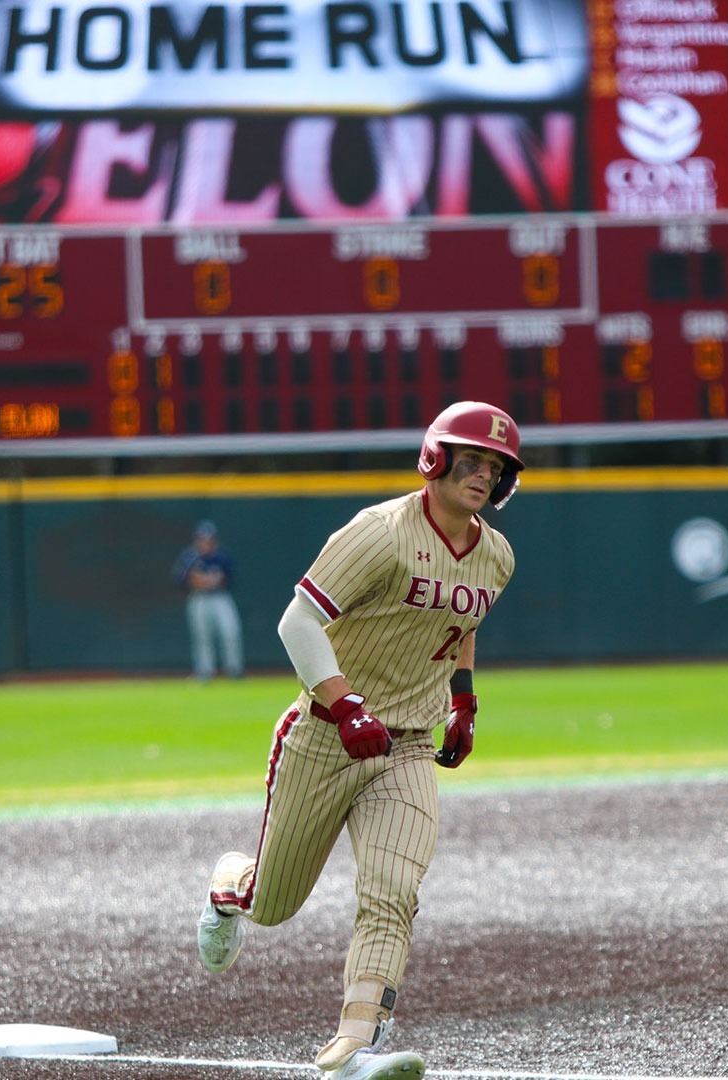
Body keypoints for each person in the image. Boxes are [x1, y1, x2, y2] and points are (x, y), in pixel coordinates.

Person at [195, 401, 523, 1080]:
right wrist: (345, 706)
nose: (483, 476)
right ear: (435, 458)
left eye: (495, 467)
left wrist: (463, 703)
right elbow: (298, 622)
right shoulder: (380, 531)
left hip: (404, 747)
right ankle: (230, 887)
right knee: (274, 906)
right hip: (323, 738)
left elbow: (460, 624)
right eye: (472, 460)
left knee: (393, 891)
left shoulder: (496, 556)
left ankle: (355, 1043)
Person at [172, 519, 244, 681]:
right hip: (198, 599)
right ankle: (204, 672)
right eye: (201, 538)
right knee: (202, 637)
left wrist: (214, 580)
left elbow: (233, 578)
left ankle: (234, 670)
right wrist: (198, 580)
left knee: (230, 632)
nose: (205, 542)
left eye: (208, 539)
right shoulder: (190, 556)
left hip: (220, 597)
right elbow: (179, 579)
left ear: (214, 540)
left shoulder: (222, 556)